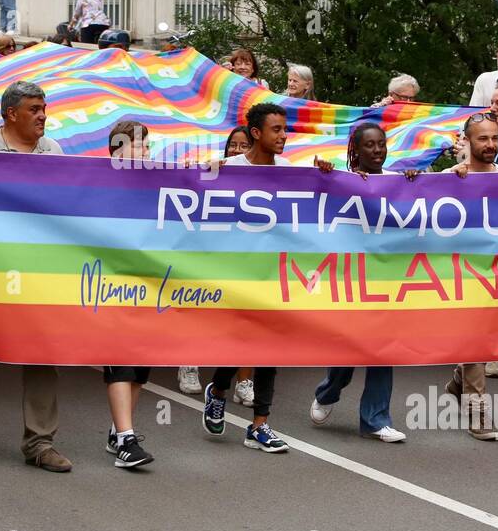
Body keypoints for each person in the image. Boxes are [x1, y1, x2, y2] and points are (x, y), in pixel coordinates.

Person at [203, 102, 332, 453]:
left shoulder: (291, 170)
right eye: (276, 129)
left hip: (276, 275)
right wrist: (197, 173)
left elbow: (319, 197)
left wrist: (324, 173)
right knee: (240, 344)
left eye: (285, 129)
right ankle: (217, 390)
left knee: (269, 348)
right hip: (237, 274)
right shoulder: (228, 169)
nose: (284, 136)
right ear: (256, 133)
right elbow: (190, 190)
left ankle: (259, 424)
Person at [0, 81, 71, 472]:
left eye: (44, 108)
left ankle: (40, 442)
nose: (43, 115)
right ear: (11, 114)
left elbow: (67, 205)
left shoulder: (54, 151)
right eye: (35, 109)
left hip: (41, 270)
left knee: (42, 351)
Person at [309, 122, 415, 442]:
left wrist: (414, 184)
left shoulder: (397, 183)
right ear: (356, 149)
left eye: (381, 144)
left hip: (386, 281)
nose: (378, 150)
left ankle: (375, 419)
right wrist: (323, 175)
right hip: (350, 280)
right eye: (370, 145)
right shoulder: (341, 181)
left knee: (383, 350)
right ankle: (328, 393)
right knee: (349, 349)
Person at [439, 114, 498, 439]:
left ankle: (458, 381)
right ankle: (478, 415)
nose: (491, 145)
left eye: (495, 138)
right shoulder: (449, 177)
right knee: (475, 338)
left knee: (487, 341)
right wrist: (449, 183)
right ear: (466, 141)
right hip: (460, 276)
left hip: (497, 274)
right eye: (483, 138)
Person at [176, 125, 252, 397]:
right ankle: (189, 363)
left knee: (245, 317)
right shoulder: (213, 169)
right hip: (212, 252)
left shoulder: (271, 174)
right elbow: (188, 183)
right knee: (201, 309)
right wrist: (192, 170)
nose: (237, 151)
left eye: (244, 146)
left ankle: (244, 381)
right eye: (234, 145)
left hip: (246, 256)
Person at [101, 120, 157, 468]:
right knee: (120, 359)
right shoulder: (97, 182)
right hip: (111, 285)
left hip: (150, 286)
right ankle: (126, 439)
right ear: (116, 148)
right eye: (139, 145)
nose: (146, 152)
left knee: (141, 363)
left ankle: (118, 432)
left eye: (148, 147)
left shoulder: (156, 184)